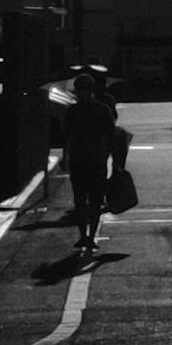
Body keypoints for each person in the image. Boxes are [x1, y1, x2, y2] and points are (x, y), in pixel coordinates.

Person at [61, 65, 122, 259]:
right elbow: (112, 136)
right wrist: (116, 160)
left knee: (85, 200)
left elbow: (67, 137)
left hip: (85, 159)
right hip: (94, 159)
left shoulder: (74, 111)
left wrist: (66, 156)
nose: (80, 94)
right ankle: (87, 236)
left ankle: (87, 235)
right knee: (90, 200)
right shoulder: (101, 110)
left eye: (81, 90)